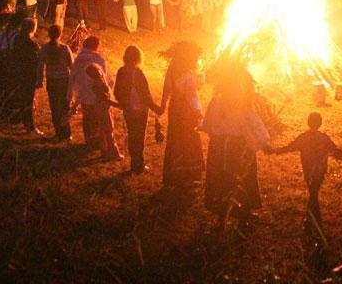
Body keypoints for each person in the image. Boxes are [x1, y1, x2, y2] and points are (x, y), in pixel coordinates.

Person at [203, 58, 270, 228]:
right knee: (241, 179)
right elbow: (256, 125)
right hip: (238, 149)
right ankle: (242, 215)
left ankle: (223, 213)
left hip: (218, 148)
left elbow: (207, 125)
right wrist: (264, 143)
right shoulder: (242, 106)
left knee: (222, 179)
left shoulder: (215, 102)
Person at [269, 112, 342, 231]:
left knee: (313, 194)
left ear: (308, 122)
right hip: (320, 170)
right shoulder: (324, 138)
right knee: (314, 194)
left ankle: (310, 221)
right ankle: (314, 221)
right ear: (320, 123)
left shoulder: (304, 137)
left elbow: (290, 147)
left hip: (308, 170)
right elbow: (335, 151)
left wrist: (275, 151)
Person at [160, 41, 205, 188]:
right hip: (186, 110)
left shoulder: (173, 68)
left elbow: (167, 88)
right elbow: (191, 95)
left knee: (175, 138)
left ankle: (174, 174)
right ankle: (188, 175)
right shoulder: (187, 73)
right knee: (189, 139)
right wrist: (198, 111)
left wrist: (163, 105)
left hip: (175, 107)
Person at [114, 45, 162, 172]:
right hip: (140, 109)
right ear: (138, 58)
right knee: (139, 137)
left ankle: (134, 163)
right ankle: (138, 165)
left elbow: (117, 91)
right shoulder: (138, 73)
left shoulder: (121, 71)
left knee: (132, 135)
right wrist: (155, 108)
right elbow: (145, 94)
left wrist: (123, 103)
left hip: (128, 109)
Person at [68, 36, 113, 149]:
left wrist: (70, 96)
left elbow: (72, 77)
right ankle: (98, 142)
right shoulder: (99, 59)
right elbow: (107, 79)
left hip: (84, 96)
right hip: (98, 96)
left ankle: (90, 140)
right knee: (98, 119)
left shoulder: (79, 59)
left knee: (88, 119)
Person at [4, 18, 44, 135]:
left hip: (16, 73)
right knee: (28, 100)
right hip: (27, 76)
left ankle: (17, 119)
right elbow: (36, 62)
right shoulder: (32, 45)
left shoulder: (16, 39)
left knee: (19, 97)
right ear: (32, 29)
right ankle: (30, 126)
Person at [86, 62, 123, 160]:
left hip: (102, 107)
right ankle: (114, 153)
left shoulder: (100, 82)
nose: (98, 73)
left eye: (97, 71)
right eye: (95, 73)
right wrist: (117, 104)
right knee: (108, 130)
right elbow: (104, 98)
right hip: (102, 108)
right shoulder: (96, 85)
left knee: (103, 130)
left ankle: (105, 151)